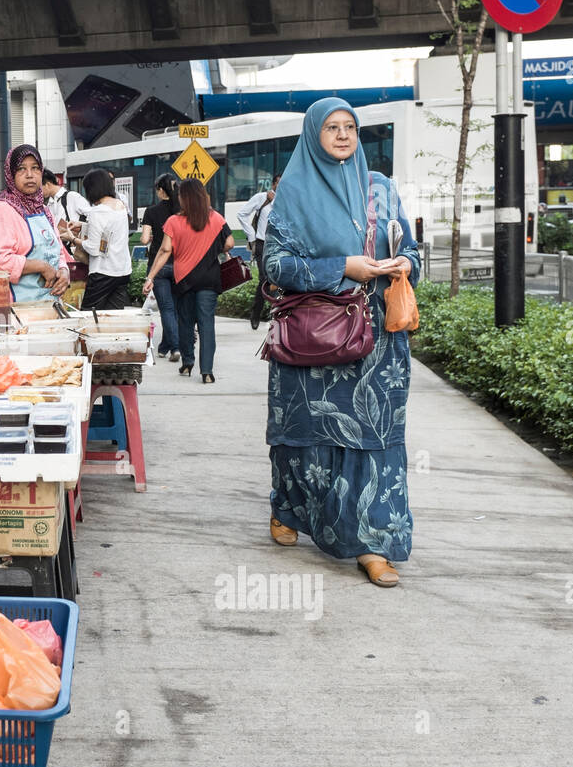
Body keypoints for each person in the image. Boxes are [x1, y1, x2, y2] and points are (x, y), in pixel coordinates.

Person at [263, 97, 421, 589]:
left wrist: (406, 264)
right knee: (304, 435)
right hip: (313, 333)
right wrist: (341, 269)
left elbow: (411, 246)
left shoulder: (381, 190)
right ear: (313, 135)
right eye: (331, 127)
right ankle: (291, 510)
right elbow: (274, 267)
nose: (342, 135)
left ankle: (373, 543)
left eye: (349, 127)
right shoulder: (292, 192)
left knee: (372, 436)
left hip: (374, 340)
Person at [143, 179, 232, 381]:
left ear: (184, 198)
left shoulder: (174, 221)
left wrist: (150, 277)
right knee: (207, 323)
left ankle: (188, 363)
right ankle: (207, 371)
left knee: (185, 321)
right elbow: (229, 242)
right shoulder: (216, 218)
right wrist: (212, 250)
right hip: (209, 279)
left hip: (184, 279)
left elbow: (165, 250)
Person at [0, 144, 70, 301]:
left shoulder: (44, 211)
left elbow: (59, 251)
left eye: (35, 168)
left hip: (49, 305)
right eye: (21, 169)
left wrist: (63, 270)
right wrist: (40, 266)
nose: (29, 175)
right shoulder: (2, 210)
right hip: (16, 310)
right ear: (10, 174)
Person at [61, 168, 133, 309]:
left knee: (88, 315)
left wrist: (73, 239)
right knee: (113, 318)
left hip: (103, 272)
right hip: (122, 271)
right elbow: (109, 232)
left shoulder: (97, 211)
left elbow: (94, 248)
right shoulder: (120, 206)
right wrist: (82, 226)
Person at [141, 174, 181, 360]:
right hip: (180, 263)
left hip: (159, 265)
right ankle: (165, 346)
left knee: (167, 309)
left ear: (160, 190)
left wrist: (150, 237)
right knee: (174, 308)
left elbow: (143, 239)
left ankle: (175, 347)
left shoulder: (151, 211)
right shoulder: (181, 211)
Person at [238, 174, 279, 330]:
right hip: (262, 244)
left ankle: (275, 314)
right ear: (274, 184)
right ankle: (256, 314)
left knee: (277, 279)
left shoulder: (287, 201)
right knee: (264, 279)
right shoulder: (261, 198)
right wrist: (251, 236)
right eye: (279, 184)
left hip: (279, 245)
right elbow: (242, 214)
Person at [41, 169, 90, 237]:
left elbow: (91, 215)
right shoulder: (49, 204)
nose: (38, 193)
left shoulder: (72, 196)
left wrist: (80, 225)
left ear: (47, 185)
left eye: (39, 188)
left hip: (74, 244)